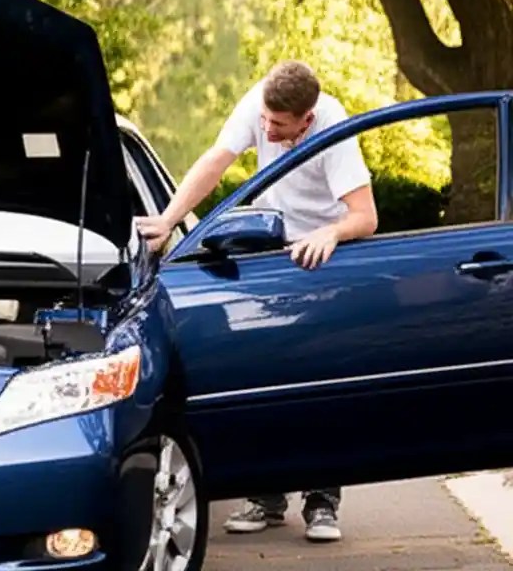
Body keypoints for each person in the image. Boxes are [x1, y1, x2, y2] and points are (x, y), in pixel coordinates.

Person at [137, 60, 378, 543]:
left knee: (318, 380)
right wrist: (167, 219)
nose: (267, 130)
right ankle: (267, 497)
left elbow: (366, 216)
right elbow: (214, 161)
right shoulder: (259, 103)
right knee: (269, 375)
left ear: (306, 119)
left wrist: (330, 232)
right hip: (273, 255)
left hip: (323, 261)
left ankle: (322, 501)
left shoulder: (333, 126)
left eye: (279, 126)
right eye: (265, 120)